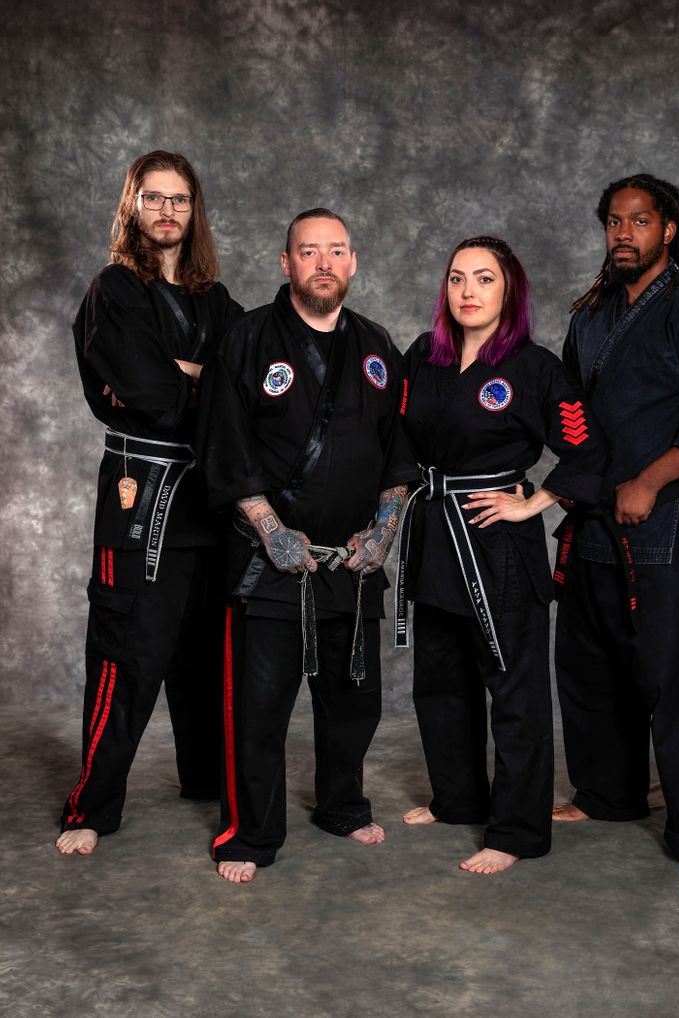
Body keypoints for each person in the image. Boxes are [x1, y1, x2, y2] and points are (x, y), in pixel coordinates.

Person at [196, 208, 419, 883]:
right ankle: (250, 833)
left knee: (354, 703)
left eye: (336, 251)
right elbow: (223, 446)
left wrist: (384, 532)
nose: (324, 263)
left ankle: (342, 807)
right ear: (286, 263)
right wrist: (270, 529)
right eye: (309, 251)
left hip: (351, 563)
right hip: (266, 564)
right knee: (259, 709)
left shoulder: (377, 345)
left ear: (353, 263)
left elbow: (398, 452)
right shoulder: (247, 339)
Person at [552, 174, 679, 892]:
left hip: (669, 521)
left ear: (668, 229)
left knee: (675, 680)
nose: (624, 233)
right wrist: (570, 479)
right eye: (614, 221)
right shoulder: (591, 315)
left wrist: (648, 480)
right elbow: (571, 411)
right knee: (591, 667)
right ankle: (609, 793)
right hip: (595, 519)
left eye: (639, 221)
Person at [397, 236, 607, 874]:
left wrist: (533, 501)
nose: (468, 291)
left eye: (484, 279)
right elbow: (393, 435)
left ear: (509, 289)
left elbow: (587, 448)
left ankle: (516, 829)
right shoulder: (423, 356)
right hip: (434, 531)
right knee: (440, 681)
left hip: (497, 545)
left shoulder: (535, 368)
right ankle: (457, 799)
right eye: (458, 278)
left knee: (513, 689)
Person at [56, 151, 243, 857]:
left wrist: (188, 377)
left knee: (204, 654)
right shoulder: (114, 290)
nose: (168, 211)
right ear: (132, 206)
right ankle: (92, 806)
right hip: (142, 499)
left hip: (211, 502)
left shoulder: (214, 300)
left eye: (180, 200)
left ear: (195, 211)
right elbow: (147, 390)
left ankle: (203, 778)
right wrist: (189, 380)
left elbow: (247, 383)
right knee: (126, 654)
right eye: (155, 198)